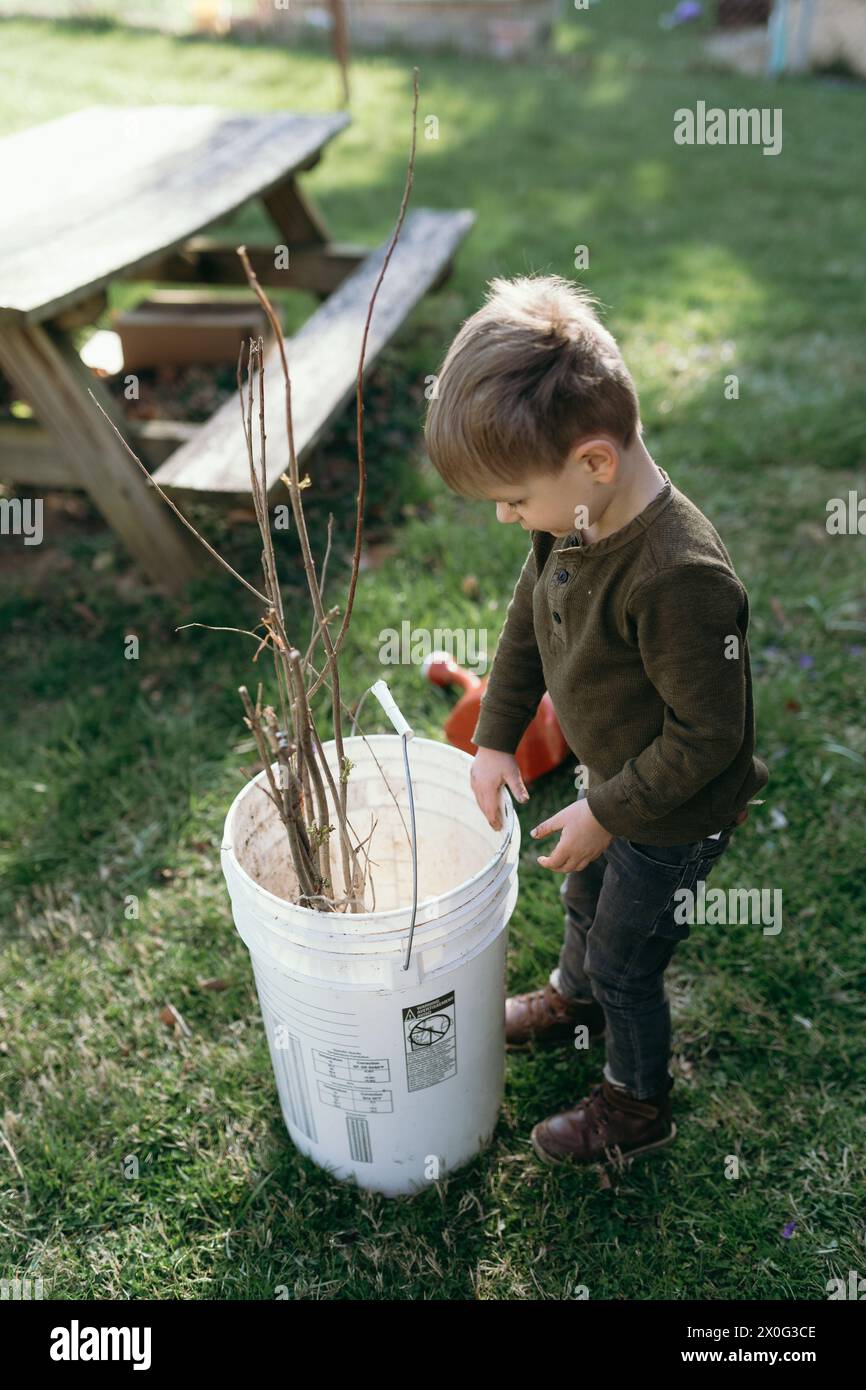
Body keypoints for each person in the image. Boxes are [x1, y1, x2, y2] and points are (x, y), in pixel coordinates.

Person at [423, 273, 768, 1168]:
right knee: (584, 900)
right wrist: (496, 737)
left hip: (675, 812)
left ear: (596, 461)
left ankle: (636, 1104)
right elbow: (527, 623)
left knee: (628, 958)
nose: (508, 519)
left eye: (513, 499)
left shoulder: (678, 578)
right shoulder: (571, 521)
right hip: (611, 786)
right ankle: (570, 1000)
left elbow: (710, 738)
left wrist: (607, 811)